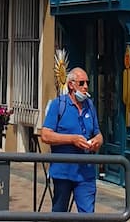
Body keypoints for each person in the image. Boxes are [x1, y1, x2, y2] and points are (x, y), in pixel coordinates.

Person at [40, 66, 103, 214]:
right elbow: (45, 135)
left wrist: (97, 141)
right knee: (60, 213)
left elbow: (98, 134)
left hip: (86, 173)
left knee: (88, 214)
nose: (86, 86)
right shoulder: (58, 105)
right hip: (63, 172)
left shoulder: (90, 105)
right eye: (81, 83)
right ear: (71, 85)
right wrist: (72, 139)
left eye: (87, 82)